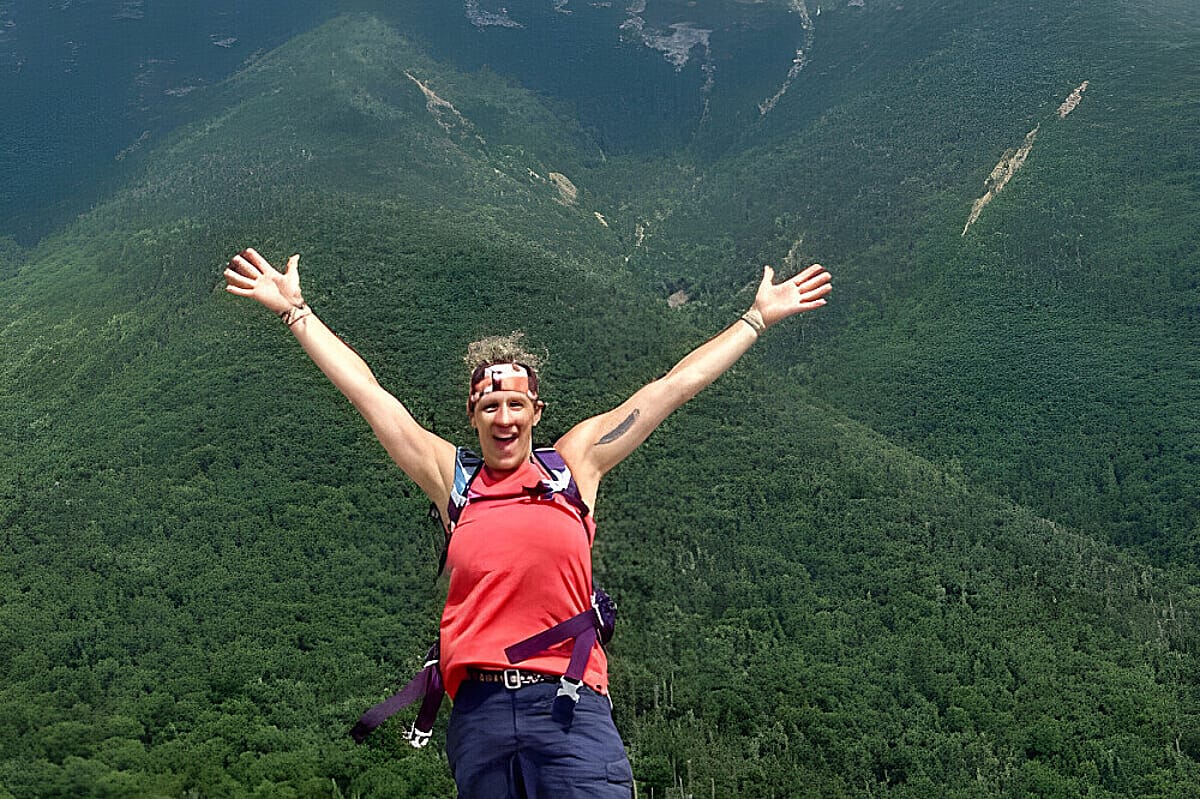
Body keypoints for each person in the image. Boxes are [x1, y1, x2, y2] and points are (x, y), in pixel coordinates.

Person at [223, 247, 832, 798]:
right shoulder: (452, 480)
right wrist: (295, 314)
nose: (504, 417)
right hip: (482, 715)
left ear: (536, 410)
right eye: (490, 406)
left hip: (570, 707)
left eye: (516, 404)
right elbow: (371, 396)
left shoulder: (575, 466)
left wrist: (755, 320)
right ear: (473, 415)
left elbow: (671, 388)